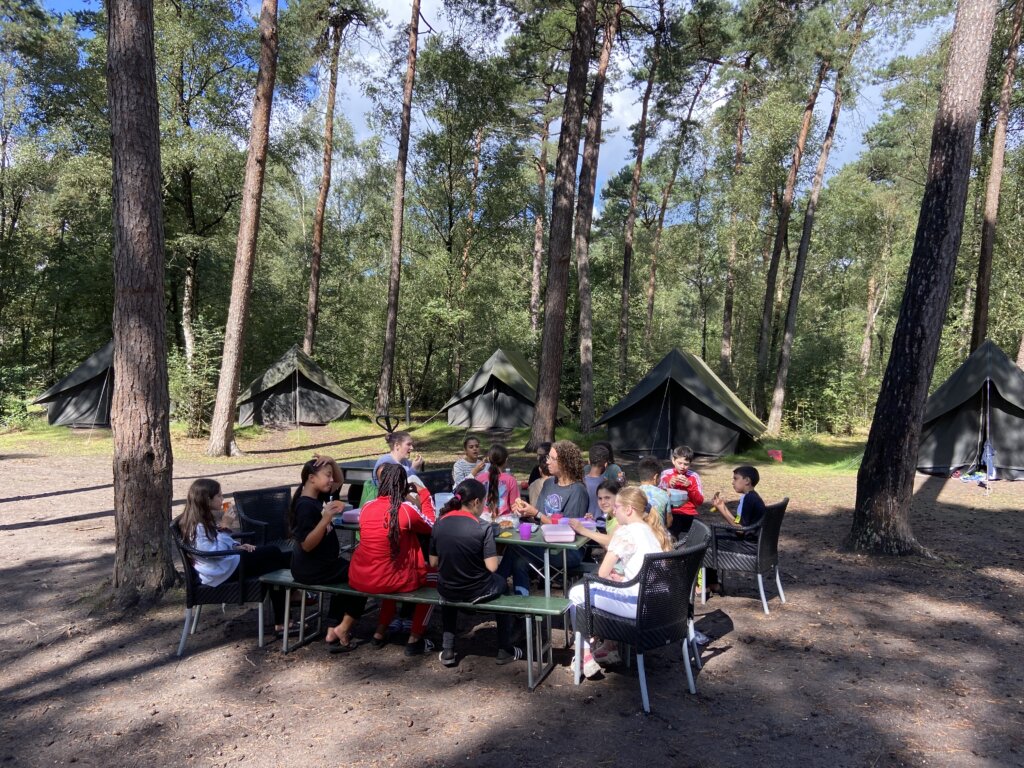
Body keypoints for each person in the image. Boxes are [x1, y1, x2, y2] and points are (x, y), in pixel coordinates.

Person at [568, 486, 672, 679]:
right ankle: (607, 647)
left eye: (617, 506)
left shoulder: (625, 532)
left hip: (637, 606)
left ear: (629, 509)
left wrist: (612, 577)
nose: (614, 511)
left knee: (576, 593)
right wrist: (623, 578)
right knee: (595, 588)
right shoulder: (653, 531)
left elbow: (601, 572)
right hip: (658, 604)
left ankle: (584, 654)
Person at [429, 478, 525, 667]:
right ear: (475, 502)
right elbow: (491, 567)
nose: (485, 507)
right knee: (502, 584)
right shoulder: (483, 526)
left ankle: (448, 649)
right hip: (477, 589)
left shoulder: (439, 522)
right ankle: (504, 648)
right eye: (484, 503)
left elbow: (433, 562)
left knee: (449, 587)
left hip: (447, 588)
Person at [177, 478, 292, 635]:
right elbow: (213, 554)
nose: (222, 498)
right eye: (218, 495)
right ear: (206, 499)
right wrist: (225, 527)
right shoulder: (197, 526)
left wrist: (236, 546)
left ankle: (284, 617)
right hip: (221, 571)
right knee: (273, 555)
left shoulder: (202, 519)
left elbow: (215, 543)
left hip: (226, 563)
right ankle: (288, 606)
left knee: (273, 559)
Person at [348, 463, 437, 655]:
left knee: (391, 570)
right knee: (434, 579)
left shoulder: (367, 507)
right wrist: (424, 494)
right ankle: (415, 638)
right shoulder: (405, 510)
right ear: (403, 484)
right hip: (388, 579)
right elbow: (432, 525)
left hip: (361, 578)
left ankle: (379, 632)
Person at [289, 458, 364, 652]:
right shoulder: (305, 506)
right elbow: (306, 545)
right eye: (327, 475)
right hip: (311, 569)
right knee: (364, 579)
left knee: (348, 572)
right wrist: (326, 519)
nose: (331, 480)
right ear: (312, 478)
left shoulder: (316, 497)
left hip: (325, 564)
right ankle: (342, 628)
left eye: (331, 475)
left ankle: (332, 628)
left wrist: (330, 461)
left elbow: (339, 482)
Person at [507, 440, 589, 595]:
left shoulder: (578, 491)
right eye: (547, 457)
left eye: (552, 458)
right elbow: (539, 515)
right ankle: (522, 613)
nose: (547, 461)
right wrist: (525, 511)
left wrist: (536, 513)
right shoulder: (550, 483)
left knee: (514, 547)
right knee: (519, 563)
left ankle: (496, 583)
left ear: (565, 462)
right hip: (544, 544)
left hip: (567, 551)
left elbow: (568, 528)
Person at [705, 465, 767, 594]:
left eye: (735, 478)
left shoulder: (750, 499)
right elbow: (739, 523)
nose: (732, 482)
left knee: (704, 541)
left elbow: (740, 530)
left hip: (747, 545)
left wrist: (722, 510)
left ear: (747, 481)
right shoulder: (751, 496)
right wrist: (723, 507)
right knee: (709, 536)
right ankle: (713, 583)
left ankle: (706, 584)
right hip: (753, 541)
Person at [360, 431, 426, 507]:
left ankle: (426, 505)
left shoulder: (406, 462)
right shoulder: (386, 462)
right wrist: (413, 469)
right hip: (389, 504)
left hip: (405, 500)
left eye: (412, 444)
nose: (412, 448)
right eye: (408, 444)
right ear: (397, 445)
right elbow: (393, 486)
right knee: (412, 478)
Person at [658, 445, 704, 540]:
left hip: (687, 513)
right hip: (670, 511)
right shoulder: (666, 474)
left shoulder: (694, 476)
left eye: (686, 464)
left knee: (689, 538)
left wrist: (689, 487)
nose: (682, 467)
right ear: (673, 460)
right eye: (680, 463)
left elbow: (699, 501)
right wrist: (669, 484)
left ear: (690, 464)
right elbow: (657, 494)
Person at [476, 444, 518, 519]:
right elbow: (515, 506)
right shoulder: (511, 480)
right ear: (506, 460)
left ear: (488, 459)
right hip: (505, 521)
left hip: (482, 520)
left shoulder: (479, 478)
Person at [637, 457, 670, 528]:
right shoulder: (664, 494)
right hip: (657, 536)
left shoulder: (632, 493)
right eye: (660, 477)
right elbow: (669, 522)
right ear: (656, 477)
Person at [583, 444, 611, 522]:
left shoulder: (581, 482)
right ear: (606, 464)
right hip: (602, 526)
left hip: (584, 525)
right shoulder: (607, 484)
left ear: (589, 461)